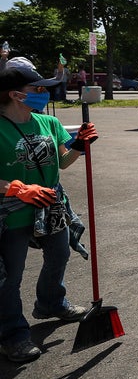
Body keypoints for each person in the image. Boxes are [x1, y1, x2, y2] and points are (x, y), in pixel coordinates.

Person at [0, 57, 98, 362]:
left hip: (51, 206)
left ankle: (51, 303)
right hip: (11, 213)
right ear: (15, 94)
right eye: (37, 88)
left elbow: (63, 162)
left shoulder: (49, 123)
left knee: (59, 254)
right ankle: (12, 334)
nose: (44, 93)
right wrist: (17, 188)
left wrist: (79, 146)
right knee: (10, 277)